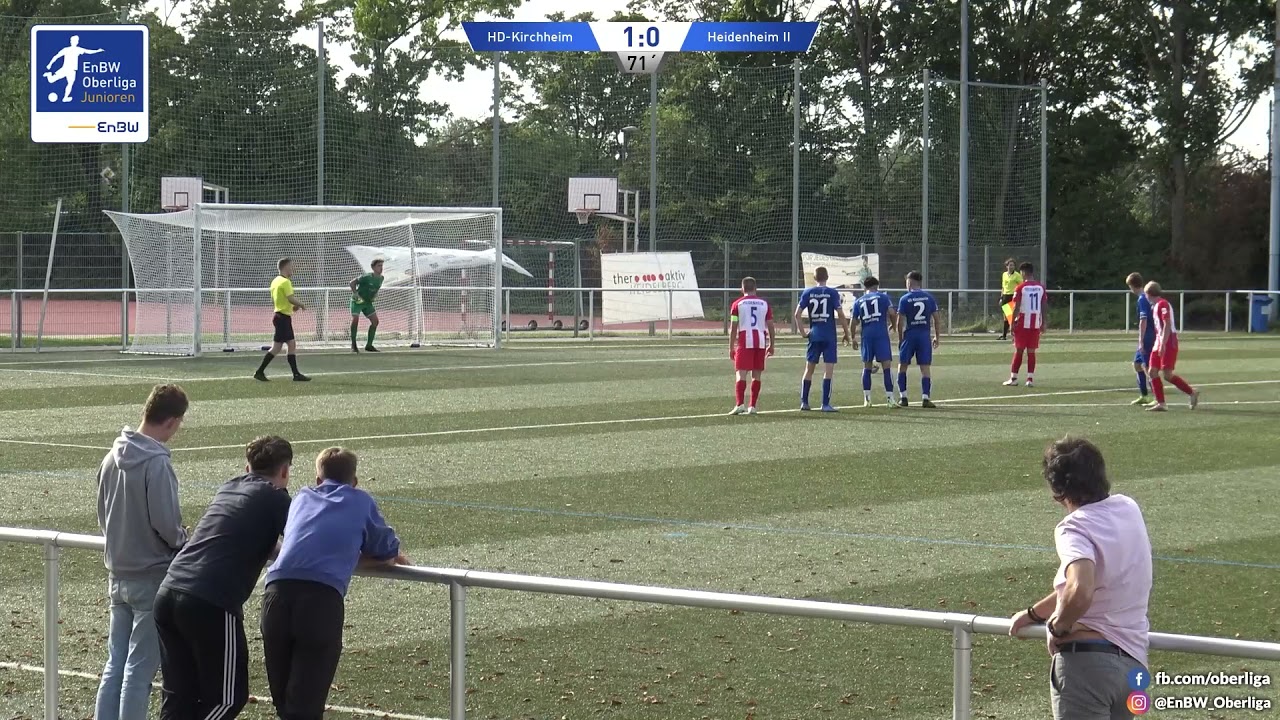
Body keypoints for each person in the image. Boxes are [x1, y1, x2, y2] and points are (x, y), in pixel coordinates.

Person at [261, 447, 411, 720]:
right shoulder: (360, 500)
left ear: (318, 479)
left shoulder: (301, 497)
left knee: (284, 701)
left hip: (275, 594)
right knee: (306, 704)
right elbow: (386, 548)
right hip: (319, 601)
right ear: (354, 481)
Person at [1009, 436, 1151, 720]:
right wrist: (1034, 613)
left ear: (1058, 489)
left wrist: (1057, 627)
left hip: (1088, 665)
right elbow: (1096, 581)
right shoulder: (1128, 507)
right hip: (1133, 664)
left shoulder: (1073, 527)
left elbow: (1081, 589)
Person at [154, 436, 295, 720]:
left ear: (247, 467)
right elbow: (302, 539)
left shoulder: (230, 487)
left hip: (169, 590)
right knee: (228, 699)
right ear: (284, 471)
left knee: (179, 697)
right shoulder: (276, 498)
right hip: (209, 600)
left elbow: (238, 532)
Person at [95, 384, 190, 720]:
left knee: (115, 664)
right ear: (172, 421)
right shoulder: (157, 463)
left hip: (118, 572)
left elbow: (103, 516)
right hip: (151, 574)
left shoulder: (110, 458)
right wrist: (183, 537)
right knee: (138, 670)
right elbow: (166, 524)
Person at [794, 267, 849, 412]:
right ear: (827, 277)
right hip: (829, 335)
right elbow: (840, 314)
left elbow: (797, 314)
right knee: (828, 370)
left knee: (809, 369)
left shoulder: (808, 292)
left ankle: (804, 402)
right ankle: (825, 404)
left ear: (814, 278)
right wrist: (847, 333)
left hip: (814, 335)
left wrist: (803, 332)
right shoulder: (832, 293)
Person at [1144, 281, 1200, 412]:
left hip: (1168, 341)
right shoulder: (1155, 306)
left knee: (1167, 375)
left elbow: (1167, 324)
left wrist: (1163, 344)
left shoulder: (1162, 304)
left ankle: (1192, 392)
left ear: (1148, 294)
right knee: (1152, 371)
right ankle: (1161, 403)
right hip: (1159, 341)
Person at [255, 258, 310, 382]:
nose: (293, 269)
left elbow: (278, 300)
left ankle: (260, 372)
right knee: (290, 344)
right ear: (286, 267)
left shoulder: (275, 281)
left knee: (278, 347)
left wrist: (291, 308)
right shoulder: (285, 282)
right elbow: (290, 298)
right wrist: (301, 304)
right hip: (283, 318)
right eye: (291, 266)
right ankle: (295, 374)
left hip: (279, 317)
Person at [728, 277, 776, 415]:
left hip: (745, 341)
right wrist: (772, 344)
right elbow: (771, 326)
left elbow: (733, 327)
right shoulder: (764, 304)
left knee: (741, 372)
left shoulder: (737, 304)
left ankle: (739, 404)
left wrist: (731, 347)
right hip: (760, 342)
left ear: (742, 289)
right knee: (757, 374)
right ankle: (752, 406)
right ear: (756, 288)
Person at [849, 276, 898, 408]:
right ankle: (890, 399)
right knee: (886, 366)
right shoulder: (883, 297)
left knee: (867, 367)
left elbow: (853, 321)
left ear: (865, 287)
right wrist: (893, 326)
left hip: (867, 335)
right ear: (877, 286)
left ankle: (867, 399)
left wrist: (853, 337)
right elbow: (892, 313)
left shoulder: (859, 301)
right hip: (881, 334)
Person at [894, 271, 940, 408]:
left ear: (909, 282)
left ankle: (903, 397)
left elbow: (899, 322)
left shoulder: (905, 299)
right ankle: (925, 398)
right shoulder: (929, 297)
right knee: (925, 367)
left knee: (902, 365)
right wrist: (937, 336)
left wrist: (900, 339)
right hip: (924, 336)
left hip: (910, 335)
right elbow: (936, 318)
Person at [1004, 262, 1047, 387]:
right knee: (1031, 352)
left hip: (1023, 322)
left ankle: (1014, 378)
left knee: (1019, 350)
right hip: (1035, 323)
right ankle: (1030, 379)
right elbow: (1044, 306)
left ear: (1023, 272)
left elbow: (1016, 307)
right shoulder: (1041, 287)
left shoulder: (1021, 287)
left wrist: (1012, 323)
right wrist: (1044, 322)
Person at [1126, 272, 1156, 406]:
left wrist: (1141, 339)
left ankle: (1157, 398)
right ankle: (1144, 395)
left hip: (1148, 337)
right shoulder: (1145, 297)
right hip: (1149, 335)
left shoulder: (1142, 299)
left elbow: (1143, 320)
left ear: (1132, 286)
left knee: (1148, 368)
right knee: (1137, 365)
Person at [349, 258, 385, 353]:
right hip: (358, 301)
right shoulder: (366, 277)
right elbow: (352, 283)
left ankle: (369, 345)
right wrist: (356, 294)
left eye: (381, 266)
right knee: (355, 319)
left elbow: (376, 289)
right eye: (379, 266)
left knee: (375, 321)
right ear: (373, 268)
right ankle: (353, 345)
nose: (381, 268)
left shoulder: (381, 278)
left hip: (367, 302)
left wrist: (374, 295)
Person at [999, 258, 1022, 341]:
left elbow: (1021, 286)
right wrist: (1001, 297)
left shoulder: (1017, 275)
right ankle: (1004, 335)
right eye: (1010, 265)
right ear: (1007, 266)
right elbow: (1003, 287)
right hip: (1005, 296)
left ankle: (1015, 335)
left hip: (1013, 296)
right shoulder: (1004, 274)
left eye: (1013, 265)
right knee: (1006, 317)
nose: (1011, 267)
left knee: (1013, 317)